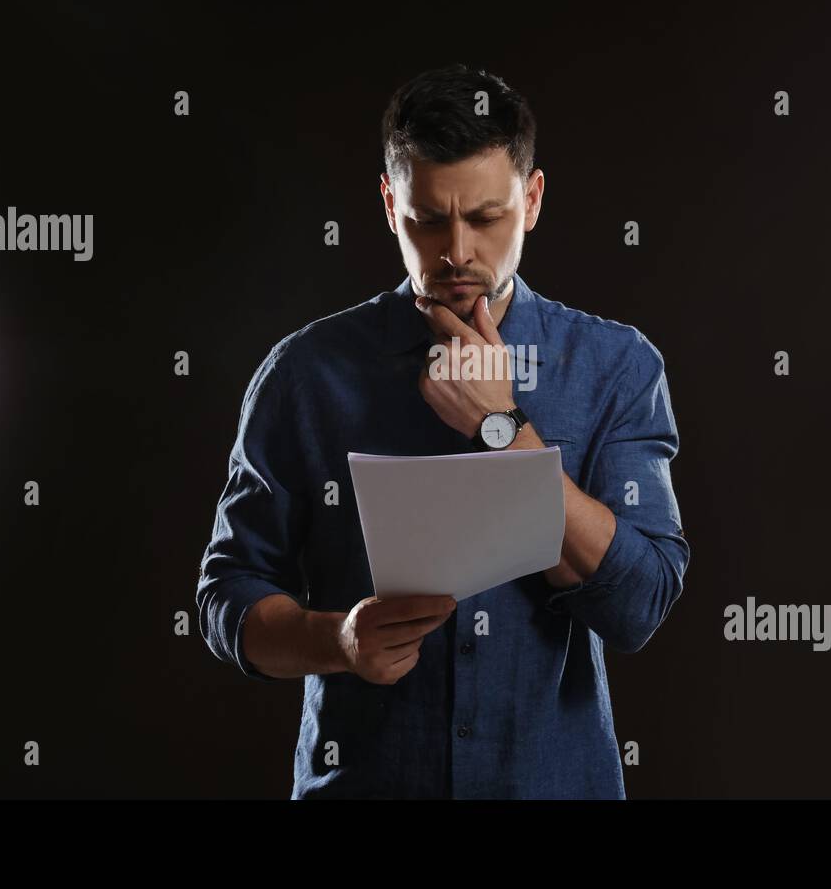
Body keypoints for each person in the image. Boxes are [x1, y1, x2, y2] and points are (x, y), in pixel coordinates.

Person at [196, 62, 689, 798]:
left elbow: (639, 604)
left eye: (486, 218)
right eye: (427, 219)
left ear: (532, 200)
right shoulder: (305, 373)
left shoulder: (616, 366)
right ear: (389, 202)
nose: (456, 251)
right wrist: (337, 641)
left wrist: (504, 427)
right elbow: (226, 595)